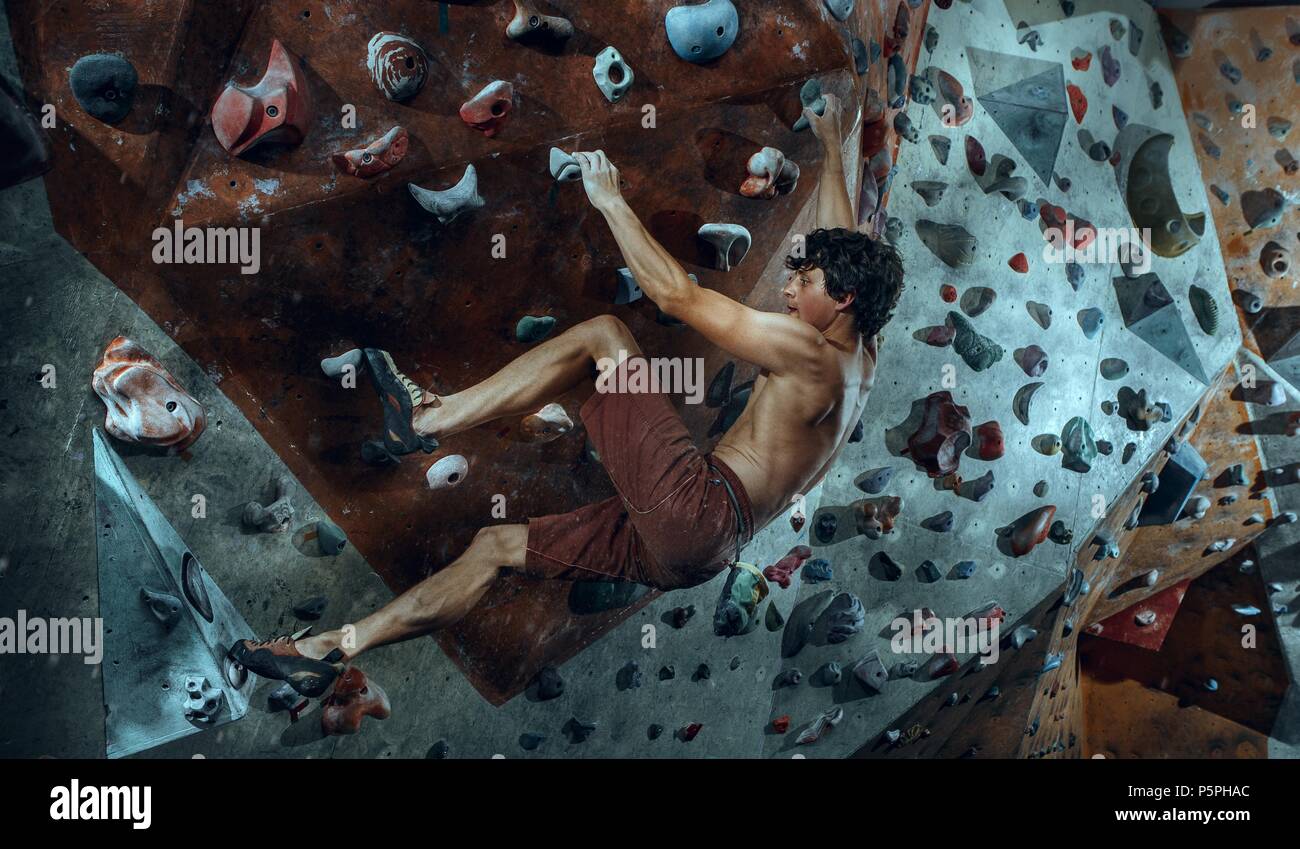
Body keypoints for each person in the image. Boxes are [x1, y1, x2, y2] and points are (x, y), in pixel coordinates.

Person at [229, 92, 905, 697]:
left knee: (608, 335)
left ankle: (432, 415)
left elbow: (676, 294)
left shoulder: (808, 351)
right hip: (702, 552)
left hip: (700, 506)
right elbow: (848, 243)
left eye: (804, 281)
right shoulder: (859, 354)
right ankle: (329, 647)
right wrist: (828, 144)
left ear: (842, 298)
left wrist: (609, 198)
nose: (789, 289)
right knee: (496, 547)